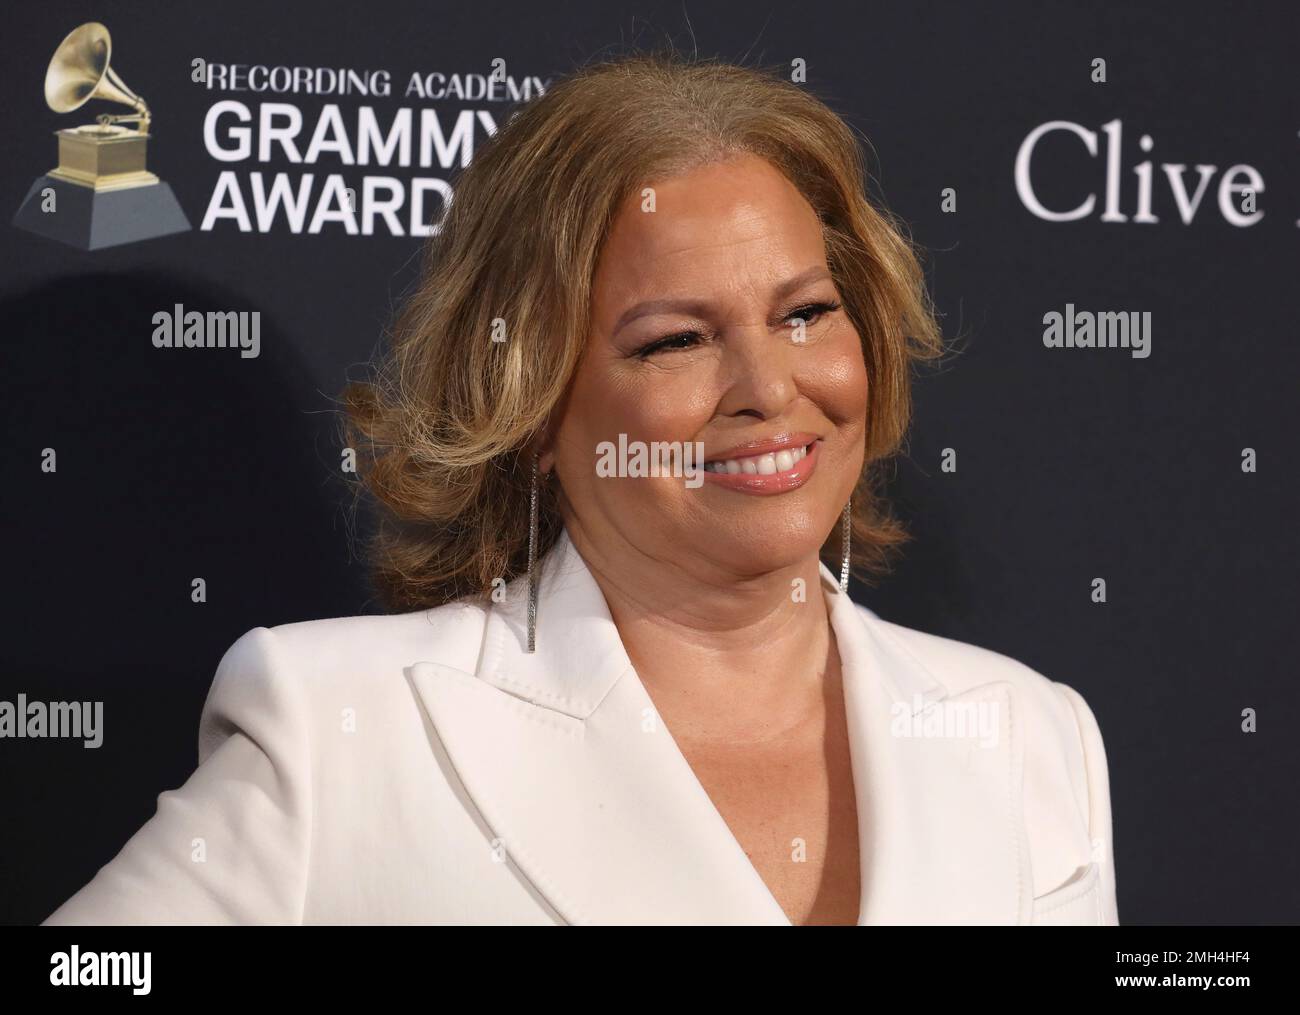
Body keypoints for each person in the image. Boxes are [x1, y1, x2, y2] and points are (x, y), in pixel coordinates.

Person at [44, 52, 1117, 926]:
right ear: (532, 401)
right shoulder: (338, 727)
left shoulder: (1027, 730)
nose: (769, 387)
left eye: (804, 313)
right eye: (677, 340)